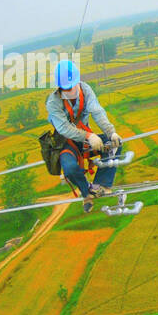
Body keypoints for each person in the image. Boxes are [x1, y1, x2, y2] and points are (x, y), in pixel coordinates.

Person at [46, 59, 121, 212]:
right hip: (66, 142)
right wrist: (89, 136)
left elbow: (97, 111)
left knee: (114, 144)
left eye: (72, 87)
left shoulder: (85, 90)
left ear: (77, 81)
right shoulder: (53, 102)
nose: (69, 91)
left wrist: (110, 131)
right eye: (65, 89)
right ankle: (87, 192)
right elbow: (64, 129)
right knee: (69, 168)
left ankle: (102, 184)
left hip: (85, 137)